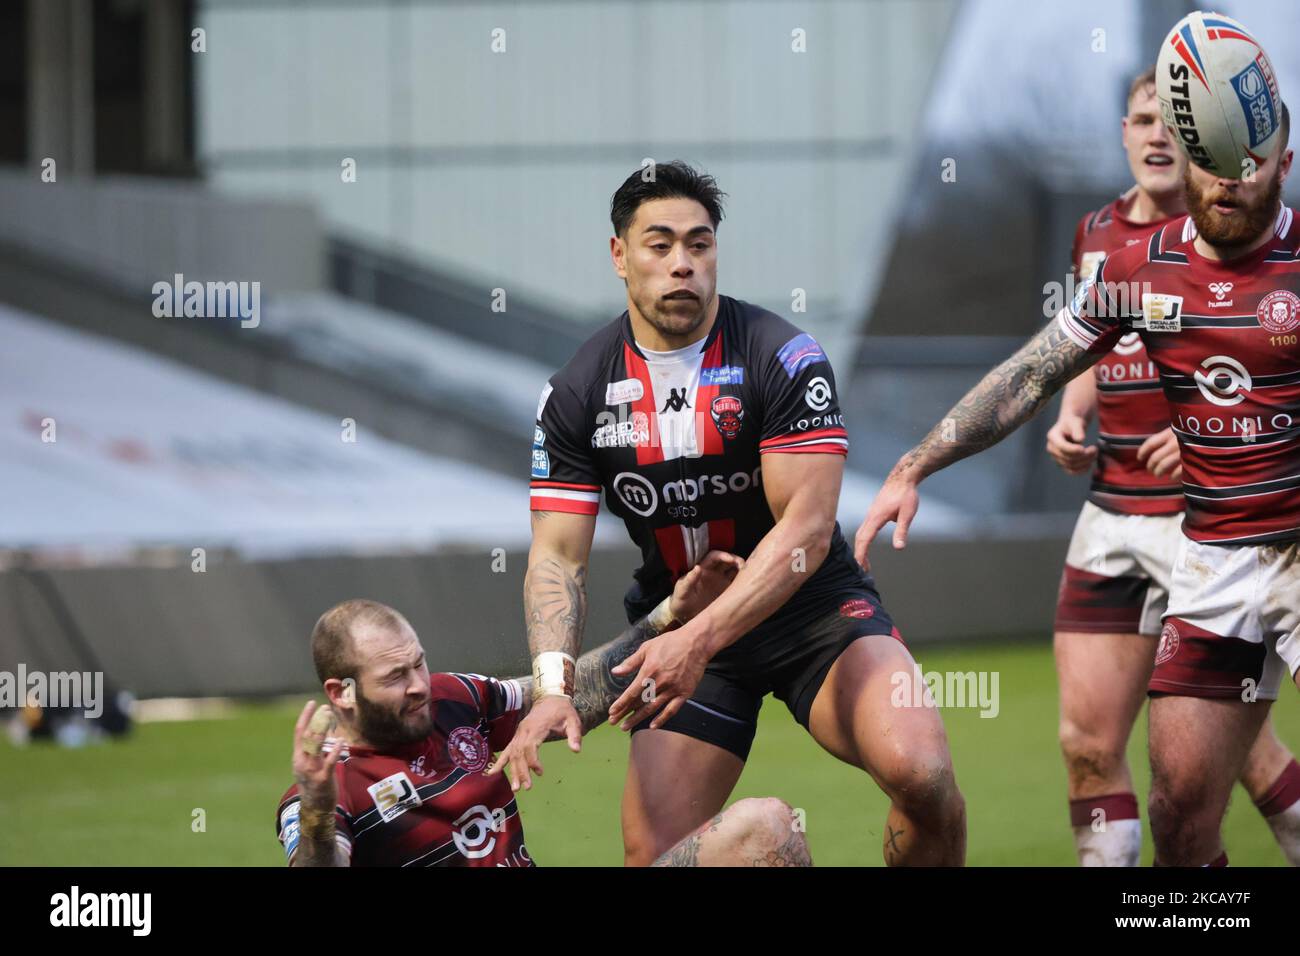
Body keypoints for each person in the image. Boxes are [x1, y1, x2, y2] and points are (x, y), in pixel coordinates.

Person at [856, 94, 1298, 866]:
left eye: (1249, 162)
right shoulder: (1133, 265)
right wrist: (916, 461)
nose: (1229, 180)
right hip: (1214, 559)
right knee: (1180, 807)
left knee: (1251, 768)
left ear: (1283, 165)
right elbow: (1032, 372)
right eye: (1213, 161)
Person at [493, 160, 965, 866]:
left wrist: (700, 638)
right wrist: (555, 685)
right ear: (620, 255)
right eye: (660, 245)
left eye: (699, 243)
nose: (683, 264)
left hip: (813, 614)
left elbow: (805, 533)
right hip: (680, 626)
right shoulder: (577, 393)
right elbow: (558, 557)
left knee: (922, 774)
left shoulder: (783, 358)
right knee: (657, 856)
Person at [1046, 68, 1300, 866]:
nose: (1157, 135)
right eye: (1143, 119)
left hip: (1213, 525)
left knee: (1240, 759)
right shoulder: (1099, 235)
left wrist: (1194, 440)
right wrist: (1070, 412)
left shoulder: (1248, 241)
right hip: (1110, 508)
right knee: (1089, 741)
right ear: (1123, 133)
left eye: (1174, 123)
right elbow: (1085, 341)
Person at [275, 554, 811, 866]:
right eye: (395, 677)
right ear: (341, 691)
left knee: (768, 828)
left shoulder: (453, 699)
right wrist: (319, 807)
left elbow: (566, 699)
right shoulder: (320, 792)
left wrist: (668, 616)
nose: (418, 685)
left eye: (418, 664)